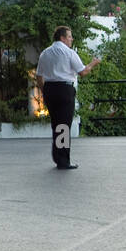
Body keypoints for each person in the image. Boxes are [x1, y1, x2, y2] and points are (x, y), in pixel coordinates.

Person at [34, 25, 100, 170]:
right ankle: (63, 160)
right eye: (69, 36)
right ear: (63, 38)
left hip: (50, 89)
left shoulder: (45, 53)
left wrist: (44, 90)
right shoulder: (69, 53)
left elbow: (39, 75)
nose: (72, 39)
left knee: (56, 124)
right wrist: (93, 63)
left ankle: (58, 157)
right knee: (64, 125)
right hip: (65, 90)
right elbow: (82, 72)